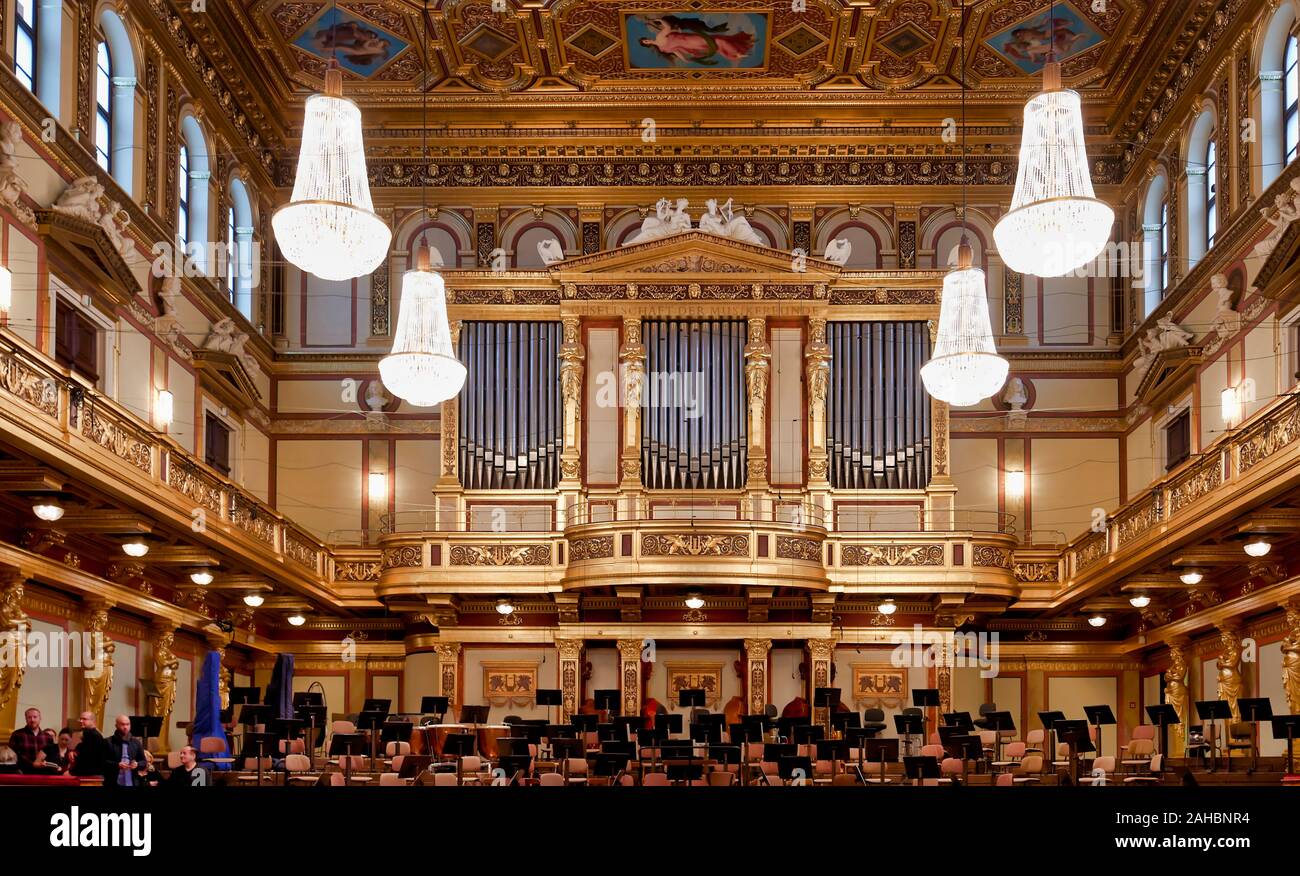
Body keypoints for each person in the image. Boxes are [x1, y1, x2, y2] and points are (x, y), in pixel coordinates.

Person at [7, 707, 55, 773]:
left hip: (44, 773)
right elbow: (12, 755)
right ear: (26, 719)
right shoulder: (17, 734)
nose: (32, 720)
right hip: (23, 772)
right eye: (29, 717)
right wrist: (32, 764)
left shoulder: (48, 737)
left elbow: (52, 756)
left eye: (35, 717)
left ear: (40, 718)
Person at [106, 714, 146, 787]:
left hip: (133, 781)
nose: (125, 727)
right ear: (116, 726)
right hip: (113, 781)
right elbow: (102, 762)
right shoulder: (108, 742)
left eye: (127, 724)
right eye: (122, 724)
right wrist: (117, 765)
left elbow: (144, 762)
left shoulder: (136, 742)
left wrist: (137, 764)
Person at [68, 711, 108, 778]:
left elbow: (87, 759)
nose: (81, 721)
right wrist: (73, 752)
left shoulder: (94, 736)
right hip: (88, 774)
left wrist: (71, 772)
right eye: (80, 719)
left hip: (90, 775)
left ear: (93, 721)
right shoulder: (88, 734)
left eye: (84, 719)